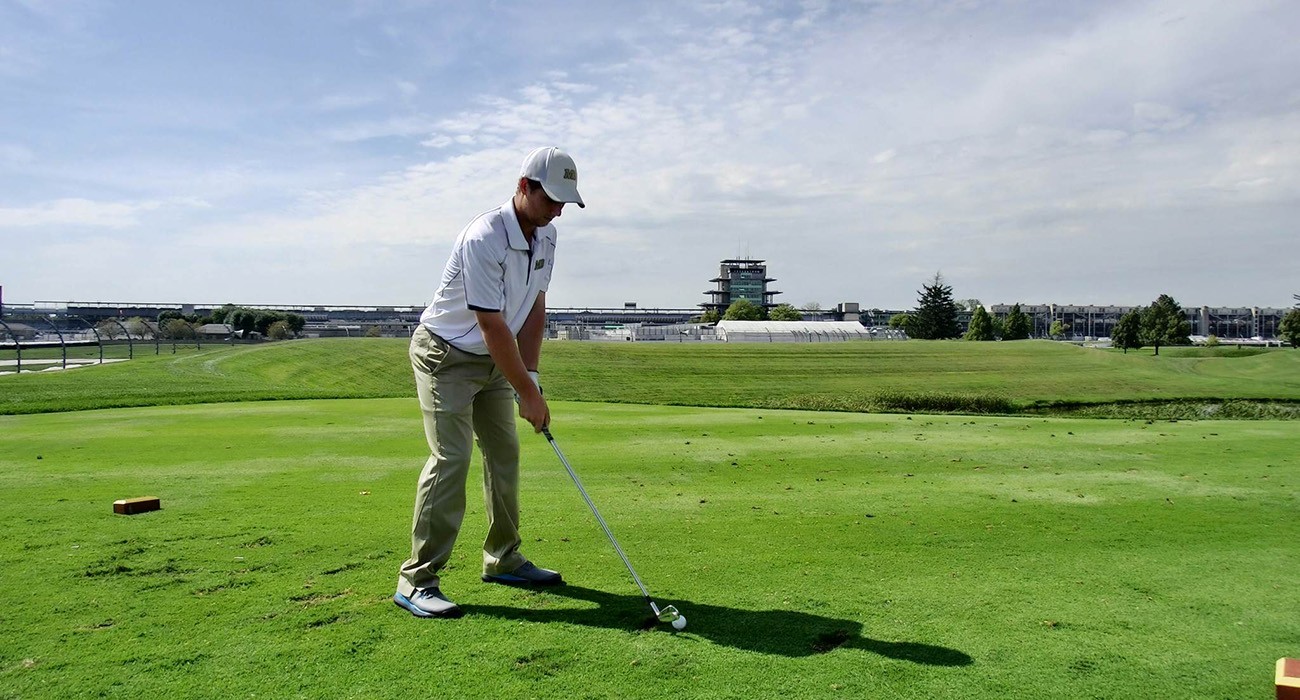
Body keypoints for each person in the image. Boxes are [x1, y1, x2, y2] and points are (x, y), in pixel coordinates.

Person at [393, 147, 585, 619]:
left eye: (565, 201)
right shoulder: (484, 237)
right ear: (524, 186)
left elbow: (535, 308)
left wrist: (532, 378)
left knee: (504, 453)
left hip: (496, 359)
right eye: (551, 198)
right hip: (446, 355)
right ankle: (417, 580)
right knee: (451, 458)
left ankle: (503, 558)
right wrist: (528, 393)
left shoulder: (548, 236)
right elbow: (492, 323)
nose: (558, 209)